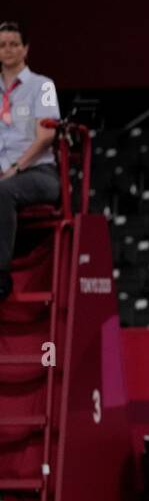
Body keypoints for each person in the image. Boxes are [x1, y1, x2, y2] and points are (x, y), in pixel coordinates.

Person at [0, 21, 62, 302]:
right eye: (2, 45)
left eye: (14, 44)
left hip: (38, 173)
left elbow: (46, 137)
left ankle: (1, 274)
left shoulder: (44, 86)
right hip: (3, 173)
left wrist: (15, 169)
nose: (8, 49)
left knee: (4, 191)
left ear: (25, 49)